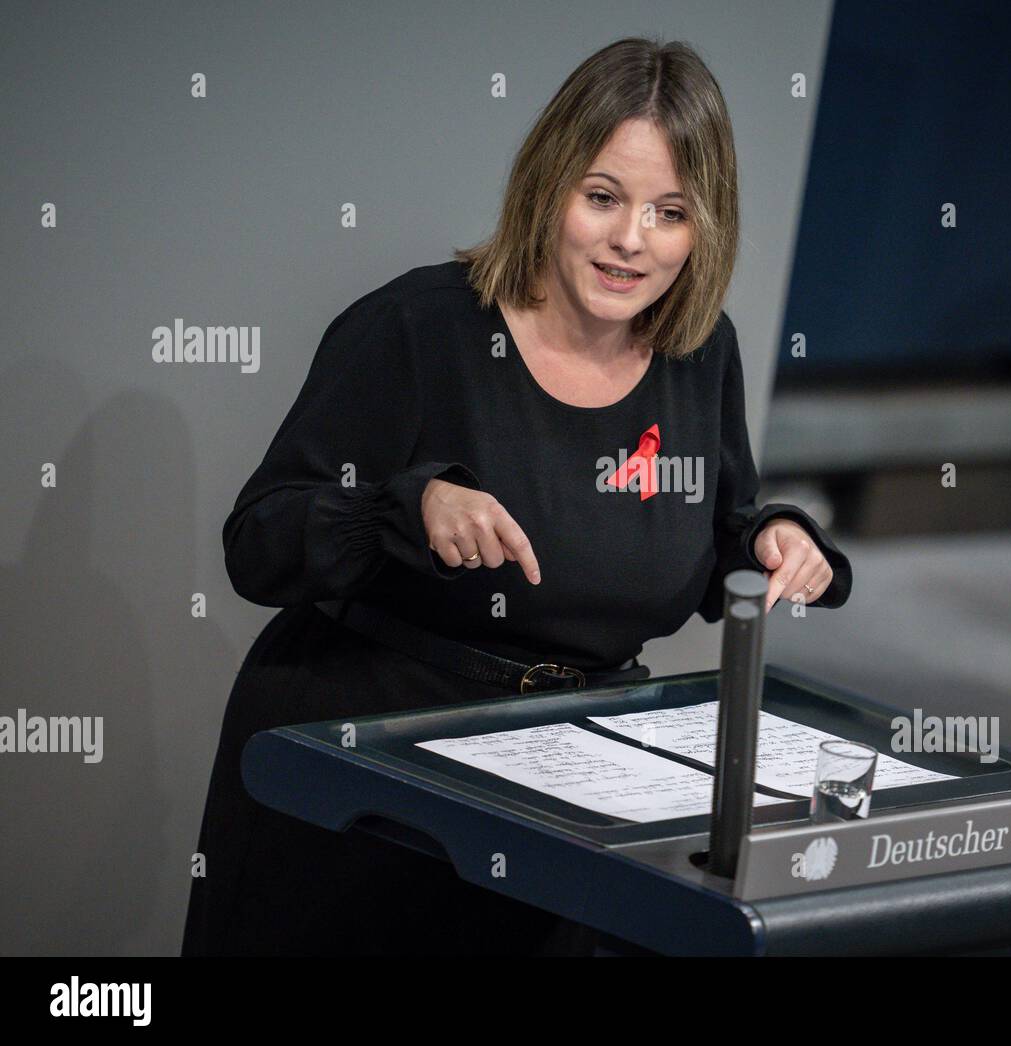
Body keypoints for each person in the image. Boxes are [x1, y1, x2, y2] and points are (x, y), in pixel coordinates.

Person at [182, 35, 852, 957]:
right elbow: (257, 542)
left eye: (670, 213)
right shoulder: (419, 327)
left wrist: (775, 536)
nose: (631, 240)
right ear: (549, 187)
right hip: (369, 776)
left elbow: (715, 530)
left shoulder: (702, 355)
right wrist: (406, 509)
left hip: (573, 789)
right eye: (604, 198)